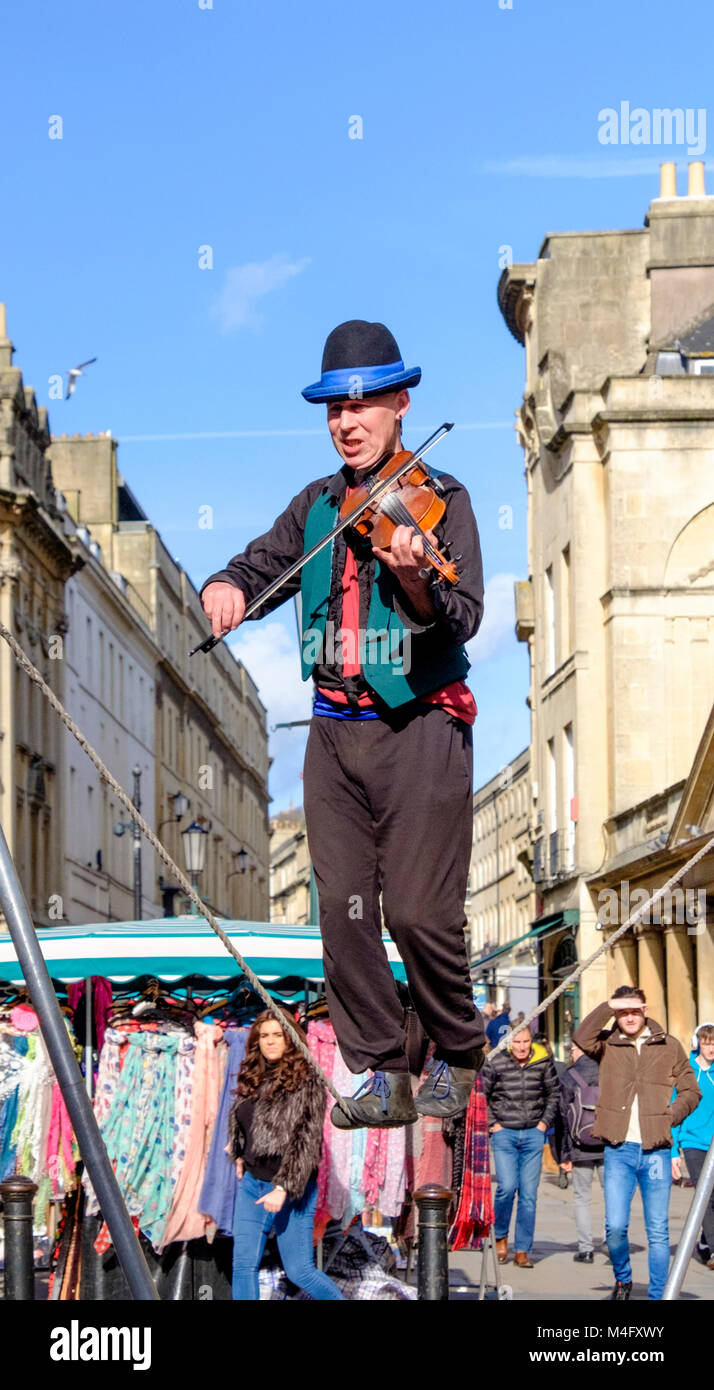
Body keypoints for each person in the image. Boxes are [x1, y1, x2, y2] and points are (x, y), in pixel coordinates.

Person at [201, 319, 486, 1128]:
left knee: (419, 916)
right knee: (342, 912)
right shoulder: (318, 504)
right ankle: (384, 1070)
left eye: (362, 404)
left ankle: (460, 1050)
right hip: (333, 732)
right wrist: (227, 585)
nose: (347, 421)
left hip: (420, 724)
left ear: (401, 404)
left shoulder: (444, 500)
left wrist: (417, 583)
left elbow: (461, 616)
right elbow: (259, 568)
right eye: (334, 409)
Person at [573, 984, 700, 1301]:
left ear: (645, 1010)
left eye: (634, 1010)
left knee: (658, 1231)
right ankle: (623, 1278)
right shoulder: (608, 1044)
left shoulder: (668, 1045)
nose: (629, 1017)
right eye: (623, 1011)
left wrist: (669, 1116)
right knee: (615, 1228)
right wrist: (608, 1004)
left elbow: (691, 1090)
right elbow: (581, 1037)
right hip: (619, 1150)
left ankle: (659, 1295)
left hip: (656, 1150)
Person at [228, 1009, 344, 1300]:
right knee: (243, 1265)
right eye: (264, 1036)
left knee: (299, 1270)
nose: (269, 1042)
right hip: (253, 1184)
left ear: (290, 1038)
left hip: (292, 1188)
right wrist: (240, 1152)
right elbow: (246, 1122)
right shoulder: (254, 1076)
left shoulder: (308, 1081)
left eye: (277, 1035)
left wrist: (283, 1187)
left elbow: (307, 1141)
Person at [481, 1023, 560, 1268]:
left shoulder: (542, 1062)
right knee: (506, 1187)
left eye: (525, 1042)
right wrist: (493, 1124)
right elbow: (482, 1094)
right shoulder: (496, 1062)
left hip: (533, 1134)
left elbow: (554, 1093)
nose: (522, 1047)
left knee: (528, 1195)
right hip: (504, 1133)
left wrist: (543, 1124)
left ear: (531, 1041)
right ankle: (501, 1238)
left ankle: (523, 1249)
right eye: (517, 1042)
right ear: (508, 1043)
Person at [671, 1021, 714, 1270]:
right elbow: (676, 1109)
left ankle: (704, 1243)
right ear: (698, 1044)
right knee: (704, 1196)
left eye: (713, 1042)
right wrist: (673, 1149)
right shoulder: (687, 1071)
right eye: (706, 1042)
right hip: (693, 1142)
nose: (710, 1048)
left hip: (713, 1143)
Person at [557, 1041, 605, 1262]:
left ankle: (586, 1250)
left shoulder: (570, 1075)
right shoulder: (607, 1069)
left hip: (579, 1145)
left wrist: (564, 1155)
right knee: (612, 1196)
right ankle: (613, 1244)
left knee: (582, 1198)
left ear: (580, 1051)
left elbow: (563, 1117)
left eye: (573, 1050)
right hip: (608, 1144)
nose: (571, 1054)